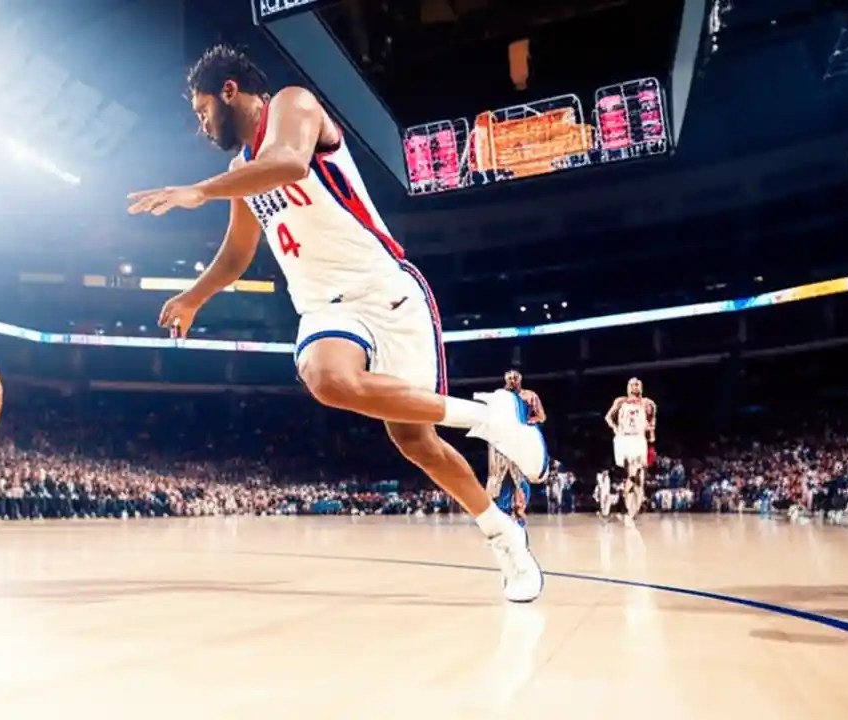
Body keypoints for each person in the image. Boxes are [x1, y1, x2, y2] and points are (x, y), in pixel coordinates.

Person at [126, 45, 548, 602]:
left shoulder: (293, 104)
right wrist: (192, 297)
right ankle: (496, 437)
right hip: (324, 307)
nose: (203, 127)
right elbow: (235, 256)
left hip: (386, 290)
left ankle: (503, 525)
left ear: (230, 90)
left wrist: (199, 192)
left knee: (415, 441)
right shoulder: (239, 175)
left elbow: (289, 164)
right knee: (326, 380)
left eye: (203, 112)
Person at [488, 370, 545, 528]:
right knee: (499, 477)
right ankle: (501, 517)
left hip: (520, 441)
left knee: (520, 477)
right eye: (509, 378)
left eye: (515, 378)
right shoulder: (499, 397)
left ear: (520, 379)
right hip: (500, 441)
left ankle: (519, 512)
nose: (512, 380)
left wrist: (525, 424)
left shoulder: (529, 396)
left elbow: (541, 416)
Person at [605, 378, 656, 527]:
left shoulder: (647, 403)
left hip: (639, 439)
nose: (635, 387)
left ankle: (632, 503)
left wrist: (651, 435)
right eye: (632, 385)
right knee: (632, 470)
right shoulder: (621, 402)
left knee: (639, 474)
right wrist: (616, 429)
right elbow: (608, 417)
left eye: (637, 384)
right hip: (624, 438)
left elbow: (652, 421)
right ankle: (625, 501)